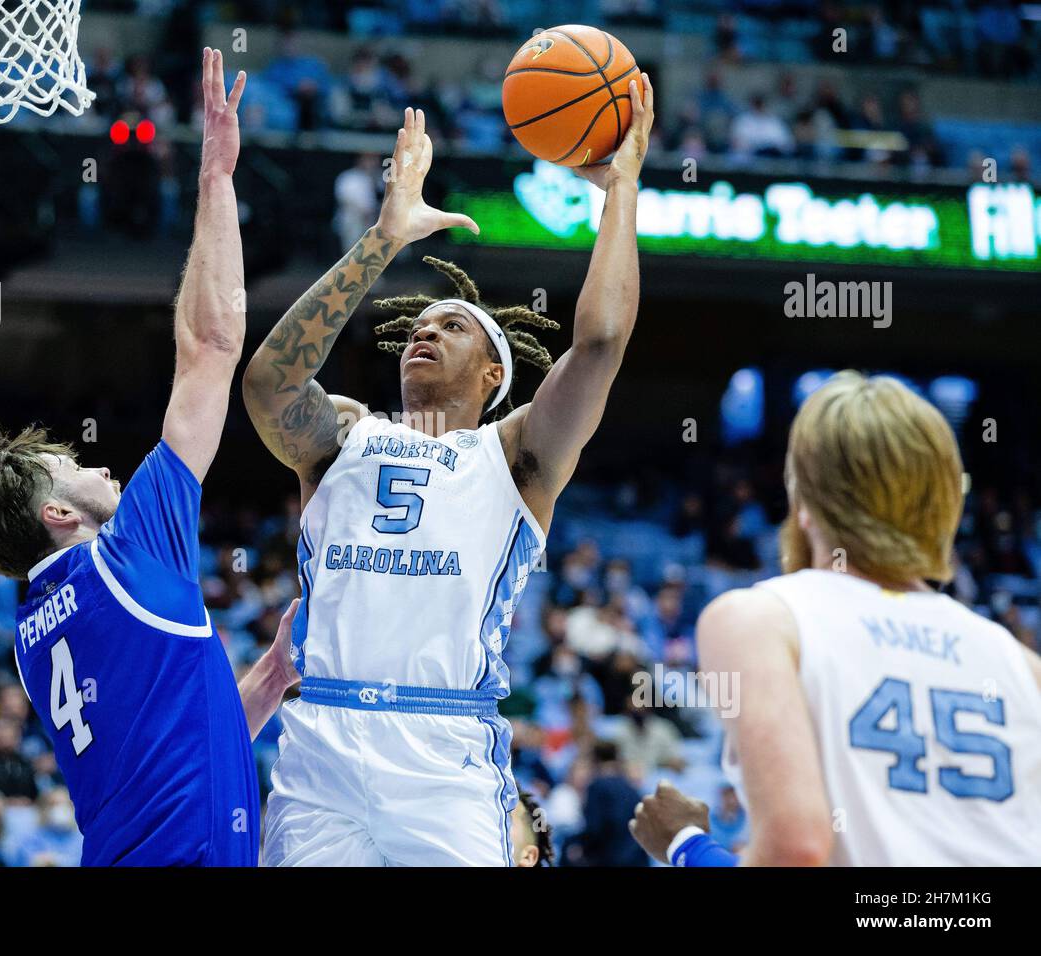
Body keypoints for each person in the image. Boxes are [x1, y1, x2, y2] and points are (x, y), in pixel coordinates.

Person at [244, 78, 655, 865]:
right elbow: (268, 386)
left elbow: (600, 344)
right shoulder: (346, 436)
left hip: (443, 748)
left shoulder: (514, 457)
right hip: (321, 743)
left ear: (493, 376)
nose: (425, 332)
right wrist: (383, 240)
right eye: (419, 324)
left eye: (453, 326)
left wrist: (622, 188)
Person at [0, 50, 297, 867]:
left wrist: (270, 680)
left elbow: (170, 756)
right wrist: (216, 179)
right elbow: (211, 345)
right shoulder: (126, 557)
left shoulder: (35, 635)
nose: (103, 470)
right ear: (59, 515)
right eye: (76, 469)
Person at [646, 372, 1041, 866]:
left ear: (805, 503)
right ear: (943, 505)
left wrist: (686, 844)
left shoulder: (758, 619)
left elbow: (797, 852)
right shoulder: (1022, 664)